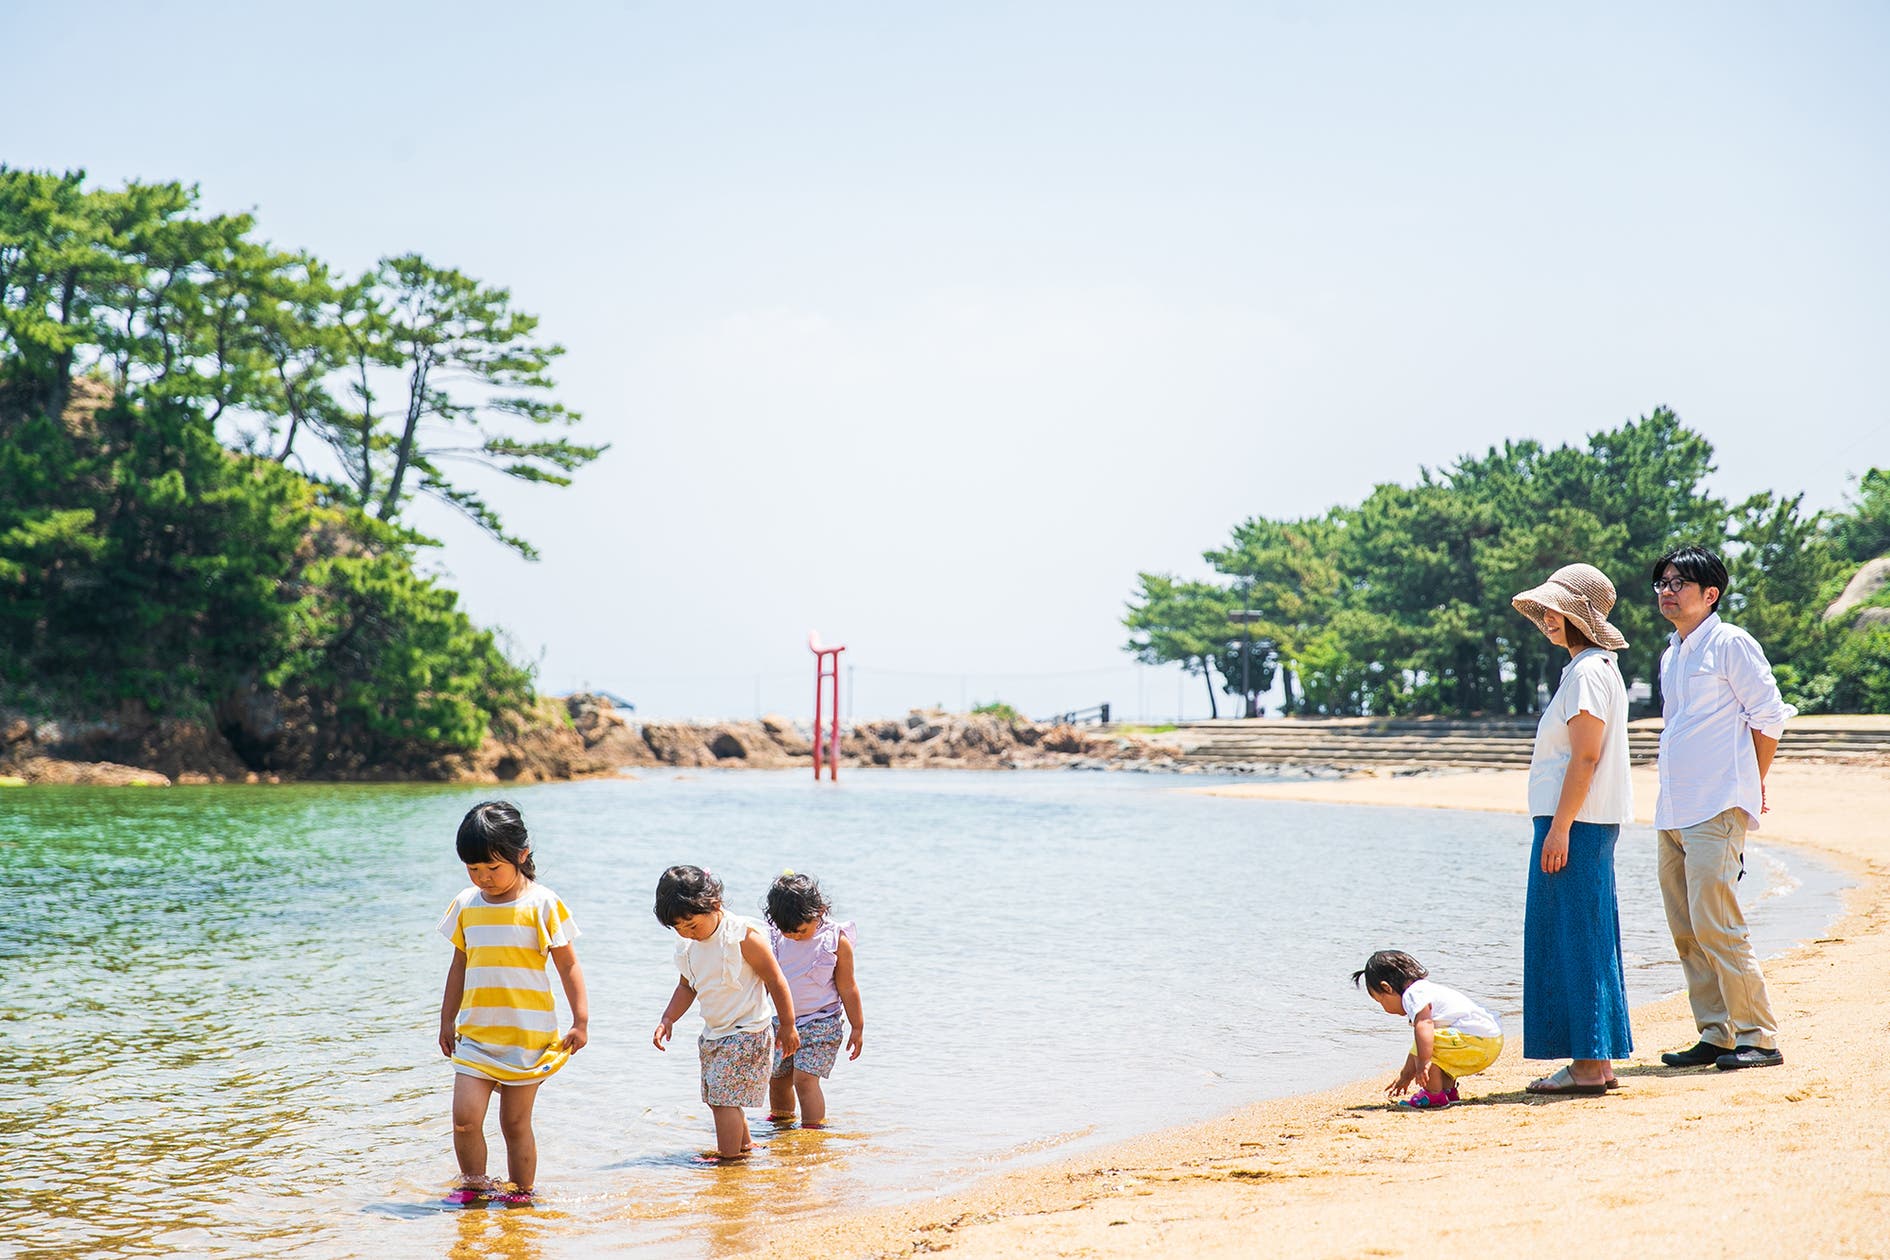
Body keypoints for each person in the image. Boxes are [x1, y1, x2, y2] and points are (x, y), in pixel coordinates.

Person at [1650, 545, 1794, 1071]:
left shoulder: (1731, 642)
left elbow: (1769, 716)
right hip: (1673, 809)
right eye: (1662, 582)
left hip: (1716, 804)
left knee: (1719, 926)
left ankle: (1759, 1037)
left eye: (1678, 583)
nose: (1666, 591)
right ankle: (1716, 1033)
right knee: (1686, 929)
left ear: (1710, 595)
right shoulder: (1672, 651)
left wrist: (1752, 785)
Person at [1511, 562, 1635, 1096]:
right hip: (1587, 821)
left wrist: (1559, 829)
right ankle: (1597, 1059)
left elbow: (1584, 757)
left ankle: (1587, 1065)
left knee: (1569, 937)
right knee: (1589, 933)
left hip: (1575, 822)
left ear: (1580, 615)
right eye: (1545, 610)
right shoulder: (1595, 669)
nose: (1546, 618)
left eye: (1556, 609)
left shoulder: (1587, 672)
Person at [436, 801, 590, 1205]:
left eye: (493, 868)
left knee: (515, 1123)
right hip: (476, 1035)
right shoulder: (466, 905)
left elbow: (569, 965)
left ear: (521, 856)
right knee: (465, 1119)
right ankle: (475, 1185)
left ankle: (521, 1195)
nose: (484, 878)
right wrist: (446, 1020)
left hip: (526, 1037)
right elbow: (459, 966)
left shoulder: (543, 904)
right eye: (473, 869)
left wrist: (581, 1020)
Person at [651, 866, 801, 1159]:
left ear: (714, 905)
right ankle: (743, 1146)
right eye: (678, 928)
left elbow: (776, 979)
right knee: (719, 1098)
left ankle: (728, 1157)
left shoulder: (741, 936)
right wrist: (668, 1018)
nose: (686, 933)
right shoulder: (688, 946)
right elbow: (686, 986)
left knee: (723, 1100)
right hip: (715, 1034)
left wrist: (788, 1025)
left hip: (748, 1032)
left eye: (692, 925)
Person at [762, 872, 863, 1128]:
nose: (794, 936)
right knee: (778, 1077)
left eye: (801, 931)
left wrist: (857, 1027)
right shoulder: (775, 937)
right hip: (783, 1022)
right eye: (788, 932)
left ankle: (812, 1130)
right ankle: (781, 1124)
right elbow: (766, 981)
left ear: (819, 911)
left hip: (822, 1023)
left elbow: (848, 986)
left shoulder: (835, 940)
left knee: (804, 1079)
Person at [1352, 950, 1503, 1110]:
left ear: (1387, 988)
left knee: (1426, 1041)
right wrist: (1406, 1076)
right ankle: (1447, 1090)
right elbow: (1419, 1046)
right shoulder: (1425, 989)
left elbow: (1424, 1026)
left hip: (1477, 1040)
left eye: (1380, 1001)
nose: (1384, 1008)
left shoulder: (1412, 995)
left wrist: (1424, 1062)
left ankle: (1433, 1094)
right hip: (1490, 1040)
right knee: (1432, 1045)